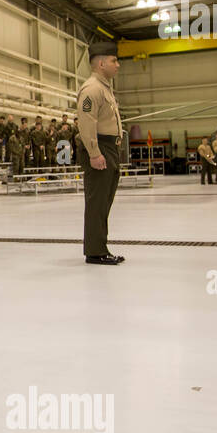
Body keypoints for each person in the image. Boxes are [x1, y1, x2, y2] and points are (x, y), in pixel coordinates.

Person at [77, 40, 125, 265]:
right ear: (102, 63)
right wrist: (94, 153)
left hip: (109, 147)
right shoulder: (92, 89)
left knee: (104, 202)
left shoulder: (104, 88)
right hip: (100, 147)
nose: (118, 65)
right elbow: (86, 123)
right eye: (114, 61)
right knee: (97, 202)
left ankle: (100, 246)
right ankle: (95, 251)